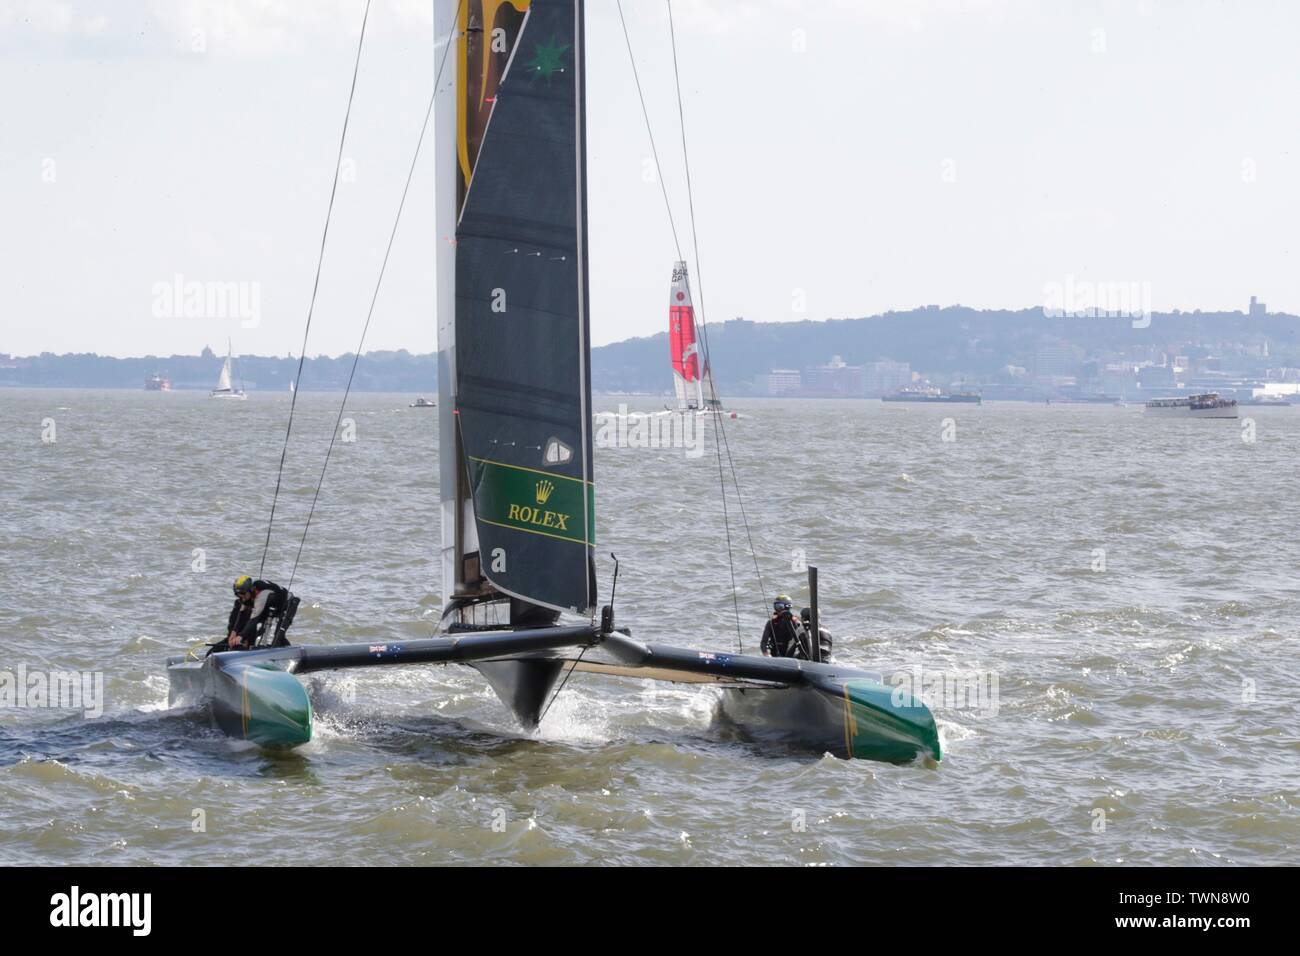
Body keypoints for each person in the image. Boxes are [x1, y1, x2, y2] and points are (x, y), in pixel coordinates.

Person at [210, 575, 289, 654]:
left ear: (251, 590)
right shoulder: (246, 596)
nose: (242, 597)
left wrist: (241, 636)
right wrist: (234, 632)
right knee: (245, 616)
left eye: (243, 593)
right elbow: (241, 615)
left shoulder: (261, 595)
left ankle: (288, 650)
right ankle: (249, 648)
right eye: (238, 594)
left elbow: (254, 619)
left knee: (278, 636)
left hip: (286, 605)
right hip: (268, 607)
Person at [761, 594, 810, 659]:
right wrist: (766, 654)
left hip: (791, 657)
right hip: (774, 656)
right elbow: (764, 642)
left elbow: (803, 642)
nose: (777, 610)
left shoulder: (796, 623)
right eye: (775, 606)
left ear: (788, 607)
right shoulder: (771, 623)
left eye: (779, 607)